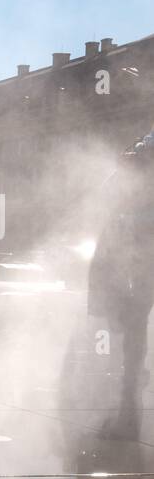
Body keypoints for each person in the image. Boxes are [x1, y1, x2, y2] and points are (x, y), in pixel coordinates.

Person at [88, 131, 154, 437]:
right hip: (136, 264)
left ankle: (129, 409)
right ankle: (131, 396)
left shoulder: (138, 193)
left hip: (140, 264)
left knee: (133, 332)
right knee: (132, 331)